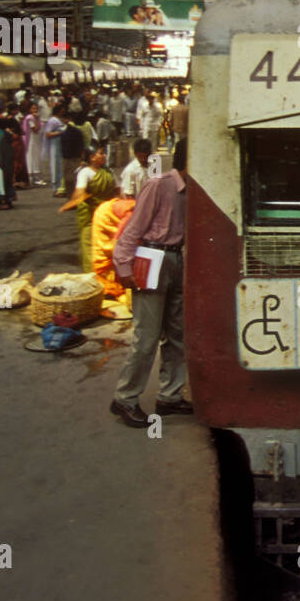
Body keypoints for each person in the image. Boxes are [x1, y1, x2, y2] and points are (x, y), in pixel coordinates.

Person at [110, 139, 192, 427]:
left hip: (176, 259)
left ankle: (170, 396)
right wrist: (123, 264)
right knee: (146, 337)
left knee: (177, 333)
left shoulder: (194, 190)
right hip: (152, 257)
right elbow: (134, 228)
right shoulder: (158, 185)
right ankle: (125, 398)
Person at [60, 146, 118, 272]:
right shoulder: (88, 172)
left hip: (101, 215)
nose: (104, 155)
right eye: (101, 153)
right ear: (92, 157)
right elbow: (117, 192)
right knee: (97, 246)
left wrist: (71, 202)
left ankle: (96, 276)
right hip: (99, 215)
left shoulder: (105, 172)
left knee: (95, 247)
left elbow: (80, 193)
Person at [91, 196, 137, 299]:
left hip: (118, 216)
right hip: (105, 215)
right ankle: (112, 291)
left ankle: (119, 289)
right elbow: (118, 242)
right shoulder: (133, 215)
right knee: (106, 254)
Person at [58, 116, 86, 199]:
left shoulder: (64, 133)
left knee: (68, 179)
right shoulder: (78, 132)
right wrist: (82, 157)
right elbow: (81, 146)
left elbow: (62, 147)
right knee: (76, 178)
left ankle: (70, 197)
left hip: (67, 158)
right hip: (76, 158)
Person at [44, 106, 68, 197]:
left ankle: (60, 187)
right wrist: (60, 133)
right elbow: (48, 134)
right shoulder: (52, 121)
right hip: (54, 145)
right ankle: (55, 188)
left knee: (60, 167)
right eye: (62, 111)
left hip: (60, 145)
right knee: (55, 166)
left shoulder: (59, 120)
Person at [23, 101, 45, 186]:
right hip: (31, 140)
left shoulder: (35, 117)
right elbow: (35, 129)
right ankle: (33, 177)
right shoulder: (30, 118)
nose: (35, 110)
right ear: (29, 109)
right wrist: (37, 120)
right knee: (32, 157)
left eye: (36, 108)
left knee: (36, 156)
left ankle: (36, 177)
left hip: (37, 140)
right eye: (33, 108)